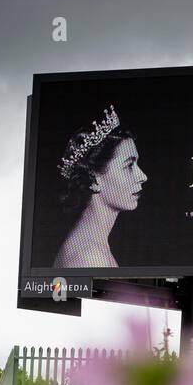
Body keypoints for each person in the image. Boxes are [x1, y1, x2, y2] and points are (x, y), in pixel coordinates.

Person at [53, 105, 147, 268]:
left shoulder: (91, 244)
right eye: (129, 166)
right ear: (94, 180)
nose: (143, 176)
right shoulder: (90, 258)